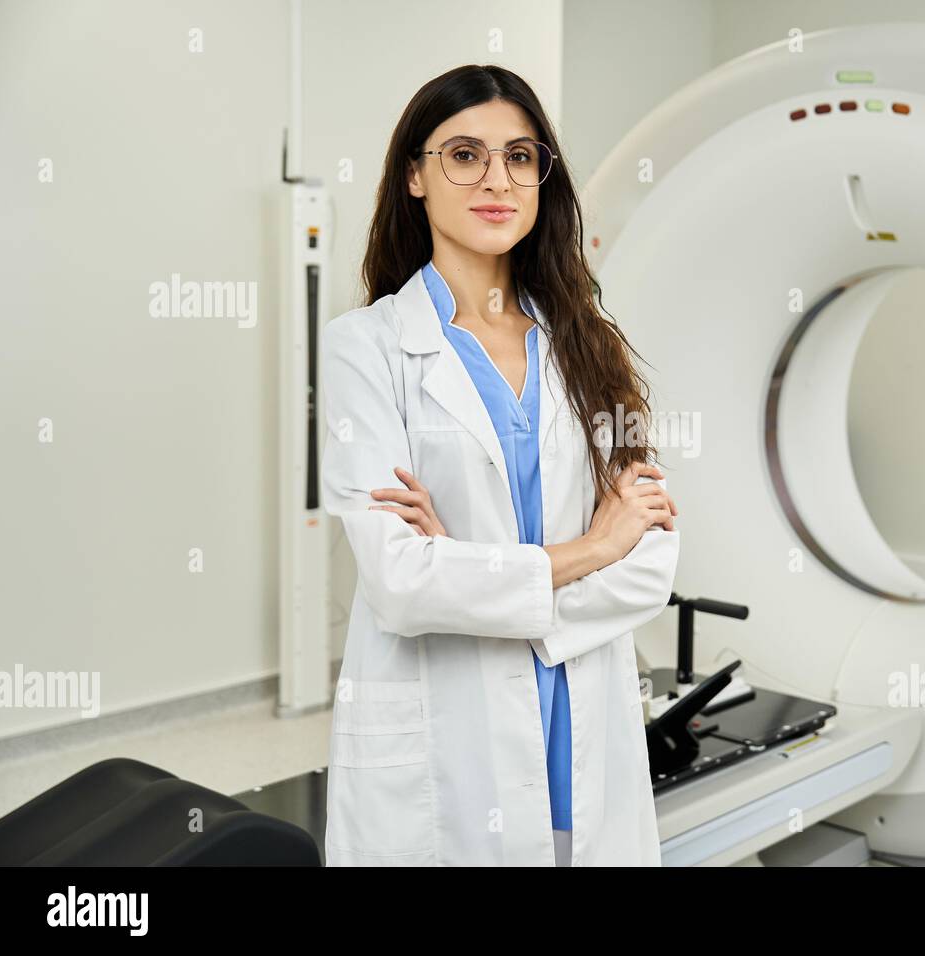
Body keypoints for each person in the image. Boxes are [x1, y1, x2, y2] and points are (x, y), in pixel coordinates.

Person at [319, 64, 680, 866]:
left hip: (581, 728)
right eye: (464, 154)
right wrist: (589, 549)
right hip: (447, 735)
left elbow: (649, 556)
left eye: (521, 157)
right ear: (414, 175)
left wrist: (467, 571)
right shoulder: (366, 348)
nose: (497, 180)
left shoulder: (591, 345)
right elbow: (401, 584)